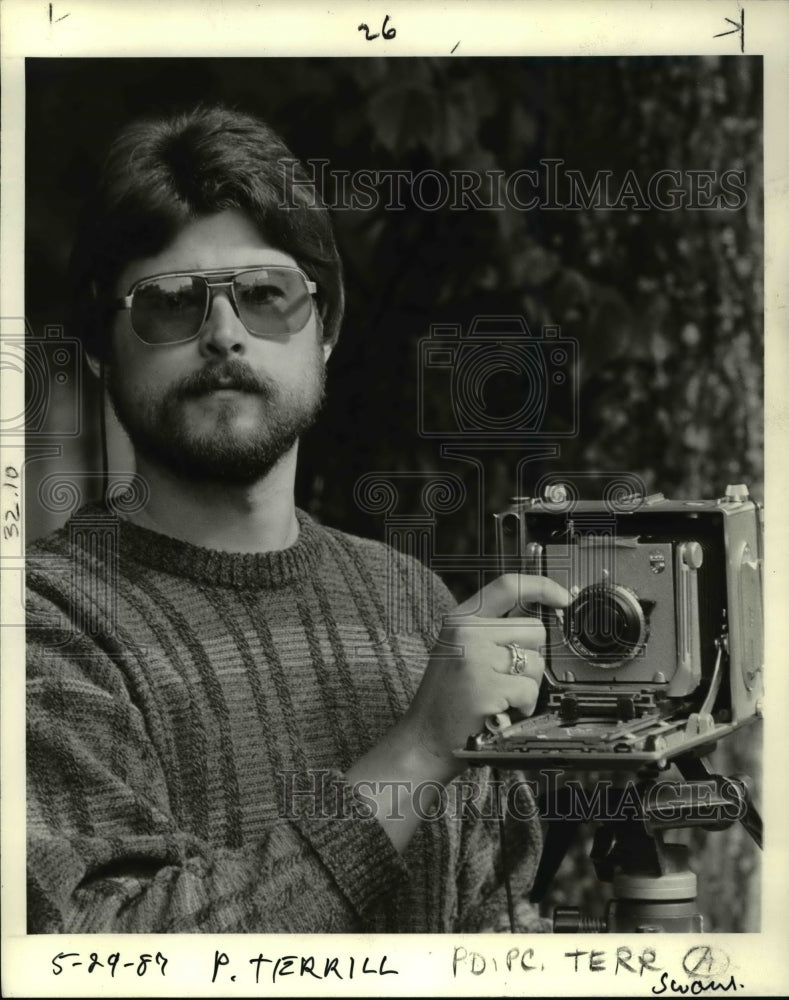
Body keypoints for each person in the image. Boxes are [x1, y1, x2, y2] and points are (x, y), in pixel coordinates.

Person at [25, 105, 570, 933]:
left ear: (326, 330)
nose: (222, 335)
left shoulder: (413, 601)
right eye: (169, 302)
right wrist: (415, 753)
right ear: (101, 348)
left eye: (266, 296)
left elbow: (490, 919)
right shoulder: (45, 620)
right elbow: (105, 955)